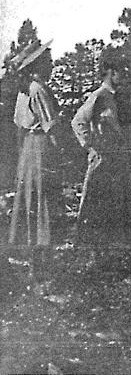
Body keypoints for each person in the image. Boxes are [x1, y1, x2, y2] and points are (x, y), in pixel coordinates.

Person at [72, 61, 131, 249]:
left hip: (116, 157)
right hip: (102, 158)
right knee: (95, 200)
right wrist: (90, 146)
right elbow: (78, 121)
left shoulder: (115, 97)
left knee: (117, 200)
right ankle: (88, 246)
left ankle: (114, 245)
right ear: (111, 72)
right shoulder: (99, 96)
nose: (124, 75)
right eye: (121, 71)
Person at [7, 40, 60, 250]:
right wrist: (61, 152)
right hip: (40, 145)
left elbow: (19, 125)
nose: (52, 66)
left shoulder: (25, 90)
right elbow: (51, 127)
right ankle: (42, 244)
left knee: (29, 192)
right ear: (39, 65)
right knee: (42, 192)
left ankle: (27, 242)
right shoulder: (38, 90)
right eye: (49, 62)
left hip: (28, 146)